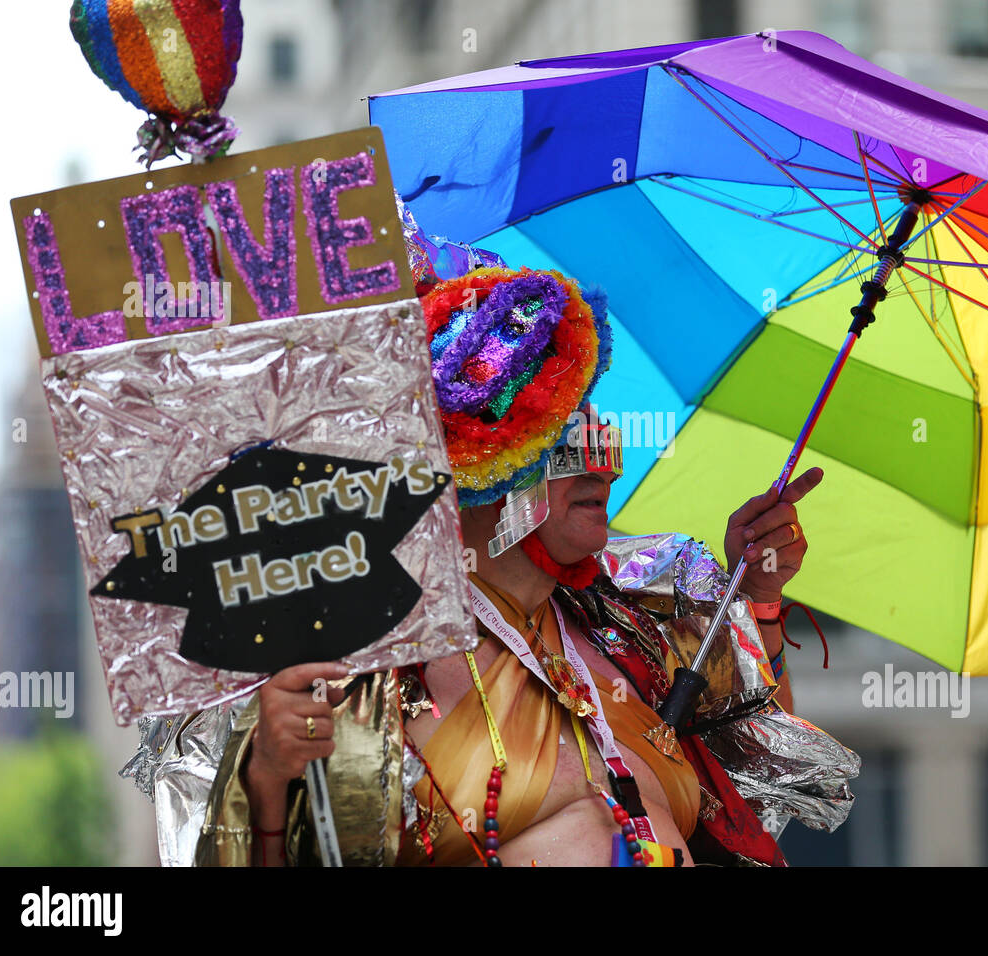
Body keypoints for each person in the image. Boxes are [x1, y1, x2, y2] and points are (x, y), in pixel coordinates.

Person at [165, 261, 850, 866]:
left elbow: (757, 787)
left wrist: (756, 601)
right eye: (562, 438)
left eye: (598, 426)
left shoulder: (640, 622)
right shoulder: (361, 673)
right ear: (485, 470)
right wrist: (265, 782)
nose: (603, 461)